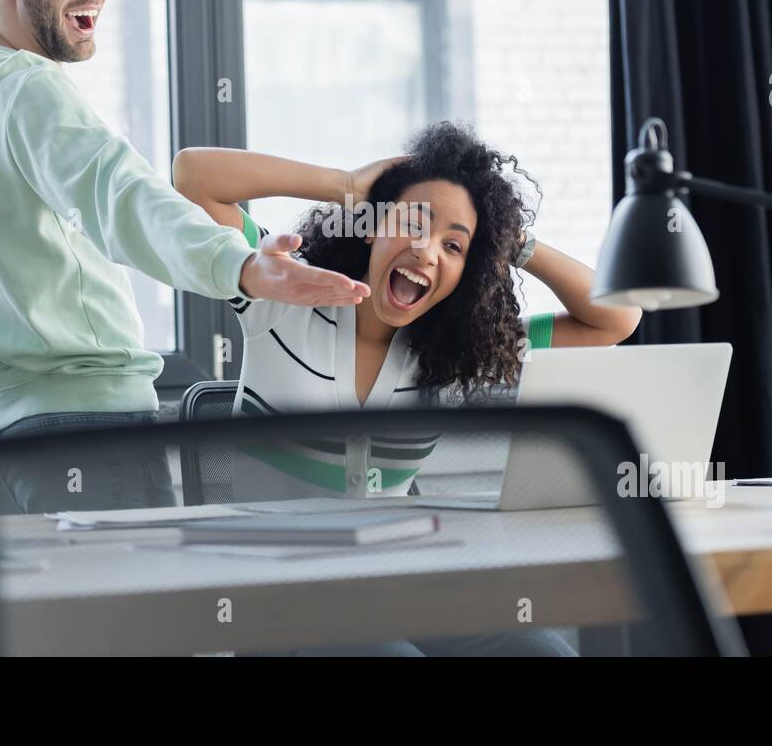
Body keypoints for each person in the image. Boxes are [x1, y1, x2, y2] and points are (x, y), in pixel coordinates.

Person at [0, 0, 366, 514]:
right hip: (85, 432)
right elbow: (122, 193)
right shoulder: (29, 88)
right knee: (124, 615)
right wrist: (241, 264)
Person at [174, 122, 642, 655]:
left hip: (395, 587)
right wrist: (347, 185)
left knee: (543, 651)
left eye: (454, 246)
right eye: (412, 223)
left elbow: (616, 319)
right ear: (371, 226)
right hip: (280, 601)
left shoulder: (458, 353)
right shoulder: (284, 294)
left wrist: (514, 243)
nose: (426, 251)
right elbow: (194, 176)